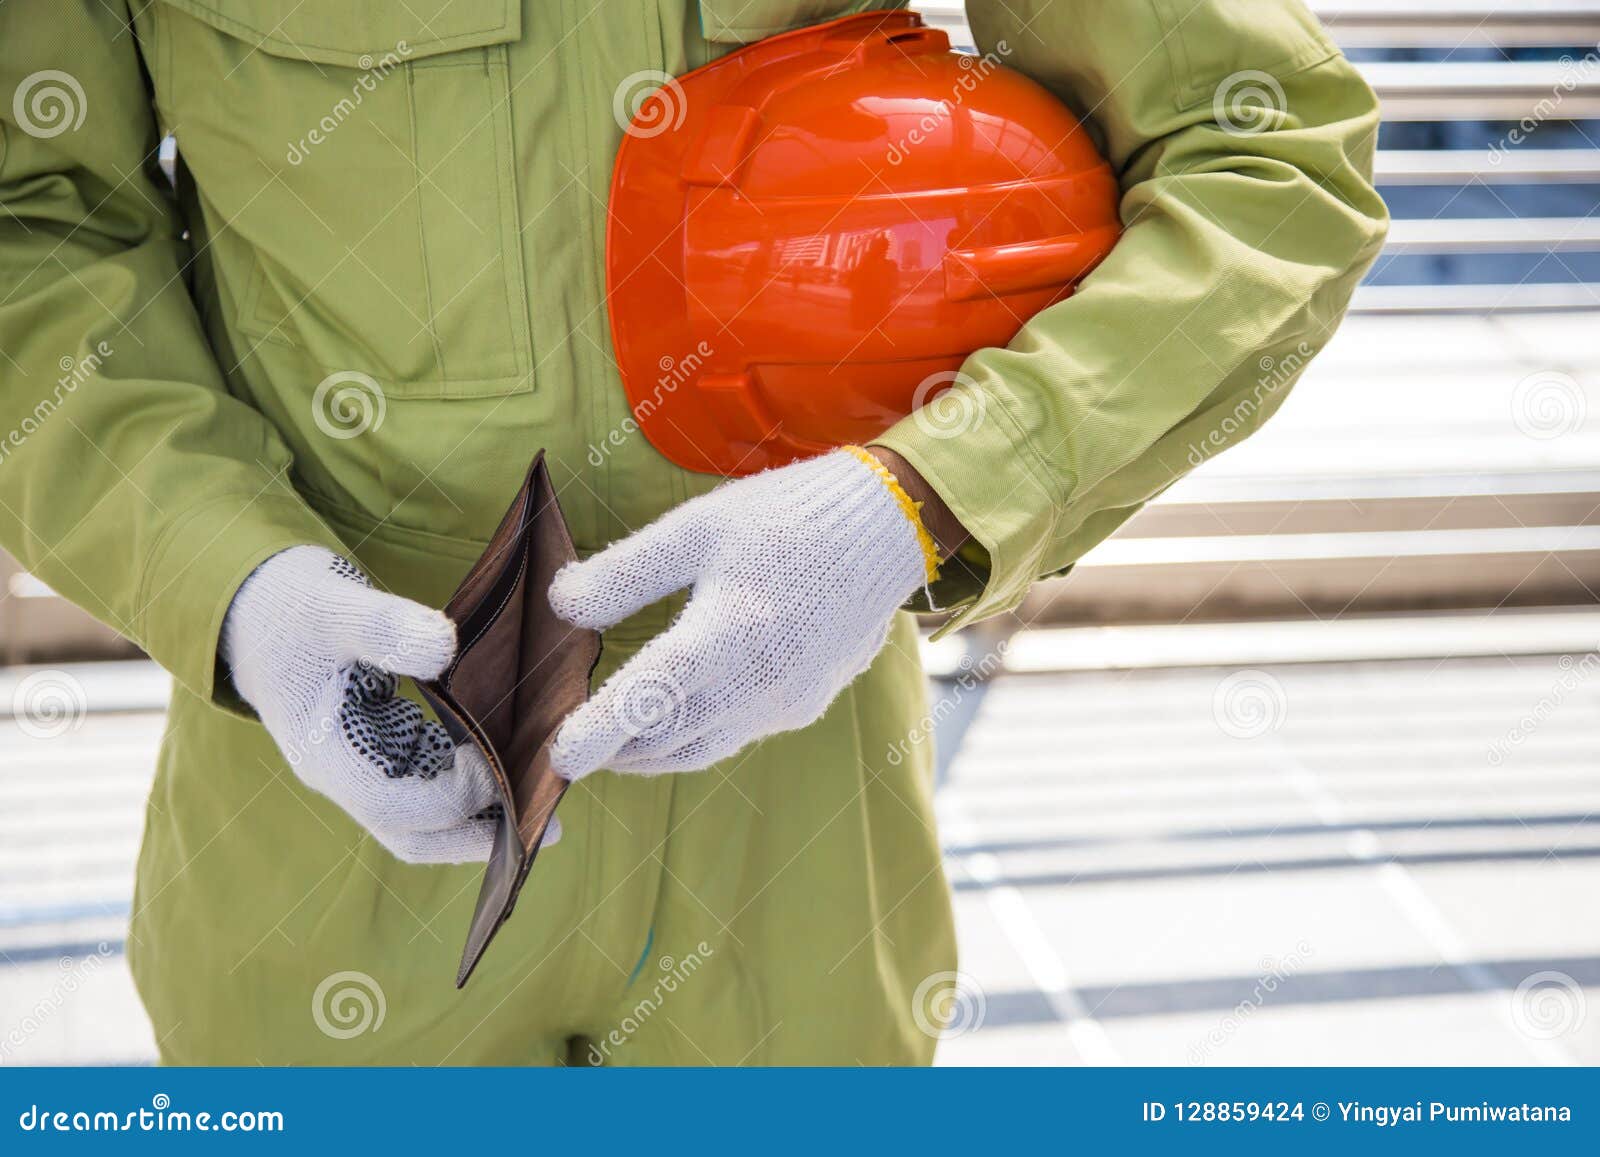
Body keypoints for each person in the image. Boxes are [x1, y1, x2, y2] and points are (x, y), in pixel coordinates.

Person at [0, 0, 1386, 1064]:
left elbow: (1266, 159)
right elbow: (28, 227)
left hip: (797, 874)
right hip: (326, 863)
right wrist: (230, 584)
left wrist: (919, 502)